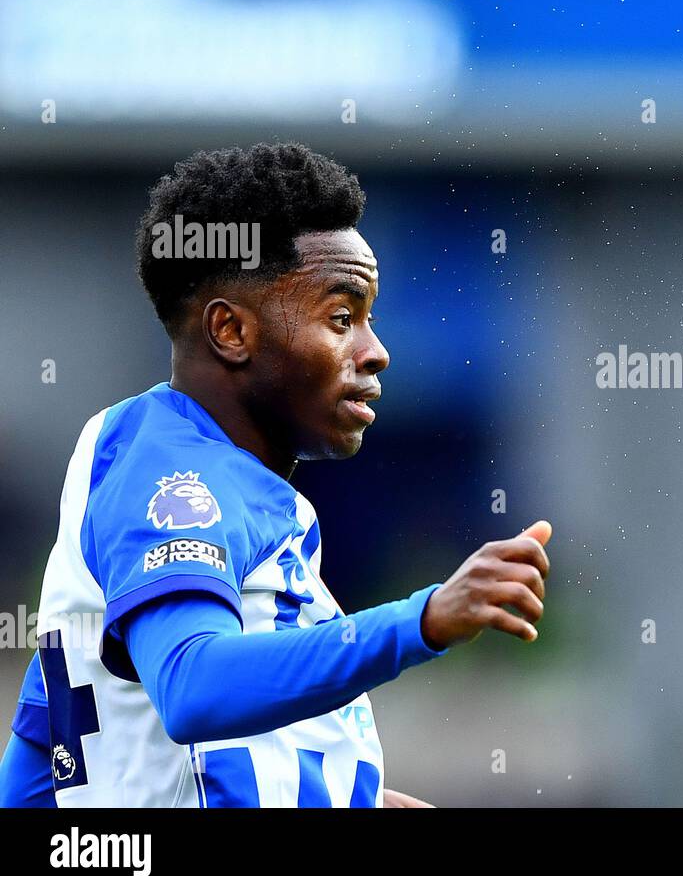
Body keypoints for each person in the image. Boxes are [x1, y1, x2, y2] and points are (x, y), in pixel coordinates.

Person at [0, 142, 550, 807]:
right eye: (341, 317)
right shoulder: (174, 475)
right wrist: (421, 621)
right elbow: (192, 687)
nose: (376, 352)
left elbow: (90, 747)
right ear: (231, 332)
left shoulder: (245, 500)